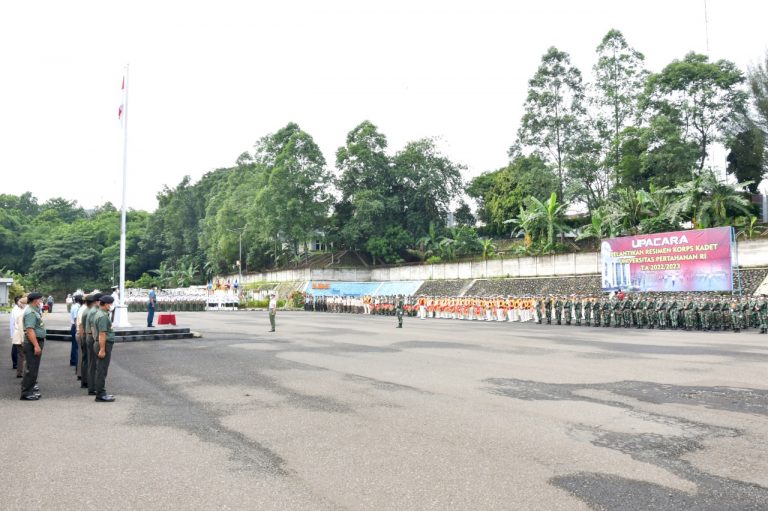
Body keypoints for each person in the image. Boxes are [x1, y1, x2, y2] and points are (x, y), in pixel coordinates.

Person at [21, 292, 46, 401]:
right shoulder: (30, 312)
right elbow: (30, 330)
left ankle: (30, 390)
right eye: (40, 300)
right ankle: (26, 393)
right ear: (35, 300)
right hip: (32, 343)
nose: (41, 302)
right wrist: (36, 345)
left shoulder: (33, 310)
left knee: (33, 368)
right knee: (31, 369)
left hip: (34, 342)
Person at [92, 295, 116, 402]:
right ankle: (100, 394)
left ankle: (101, 392)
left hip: (101, 343)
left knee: (101, 369)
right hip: (104, 345)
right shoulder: (103, 316)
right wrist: (102, 349)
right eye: (110, 304)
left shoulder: (99, 313)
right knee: (102, 370)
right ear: (106, 304)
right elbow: (102, 334)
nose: (111, 306)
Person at [85, 292, 103, 396]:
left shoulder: (95, 310)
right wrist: (97, 340)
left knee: (94, 363)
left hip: (92, 337)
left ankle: (93, 386)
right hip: (92, 338)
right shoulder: (94, 311)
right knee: (93, 363)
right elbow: (93, 328)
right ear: (98, 301)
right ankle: (92, 387)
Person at [11, 296, 27, 378]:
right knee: (22, 356)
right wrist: (22, 339)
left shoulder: (18, 311)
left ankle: (20, 372)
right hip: (19, 337)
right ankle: (20, 373)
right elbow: (21, 328)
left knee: (20, 355)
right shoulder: (21, 313)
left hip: (17, 336)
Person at [69, 295, 82, 367]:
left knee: (74, 344)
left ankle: (73, 360)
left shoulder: (74, 306)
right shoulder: (77, 307)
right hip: (75, 326)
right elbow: (75, 318)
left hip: (73, 326)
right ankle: (74, 361)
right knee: (75, 345)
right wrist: (78, 329)